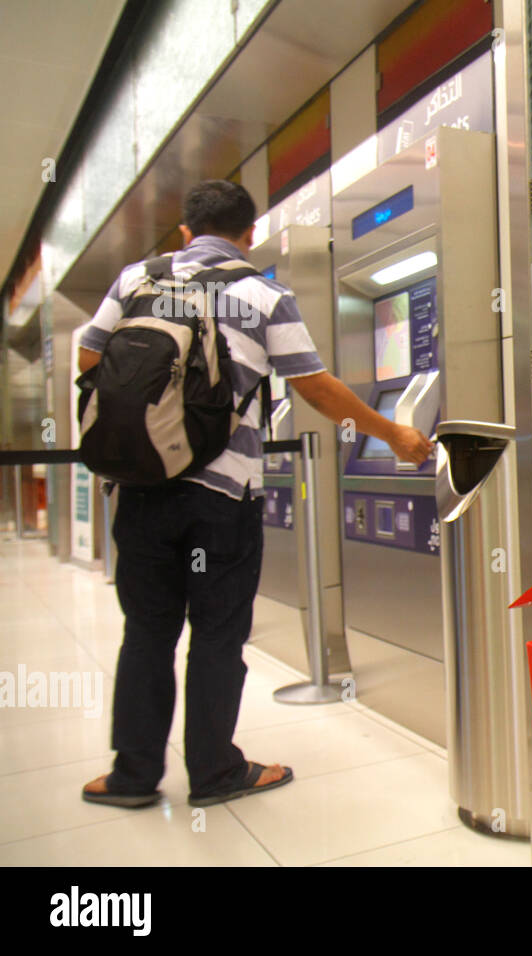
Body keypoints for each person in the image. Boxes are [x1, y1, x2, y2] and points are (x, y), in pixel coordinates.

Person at [78, 180, 432, 808]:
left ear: (186, 232)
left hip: (139, 489)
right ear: (249, 233)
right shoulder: (262, 294)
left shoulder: (137, 278)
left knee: (147, 632)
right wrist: (394, 433)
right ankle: (214, 773)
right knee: (217, 633)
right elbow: (315, 389)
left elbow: (89, 358)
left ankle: (132, 777)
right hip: (220, 494)